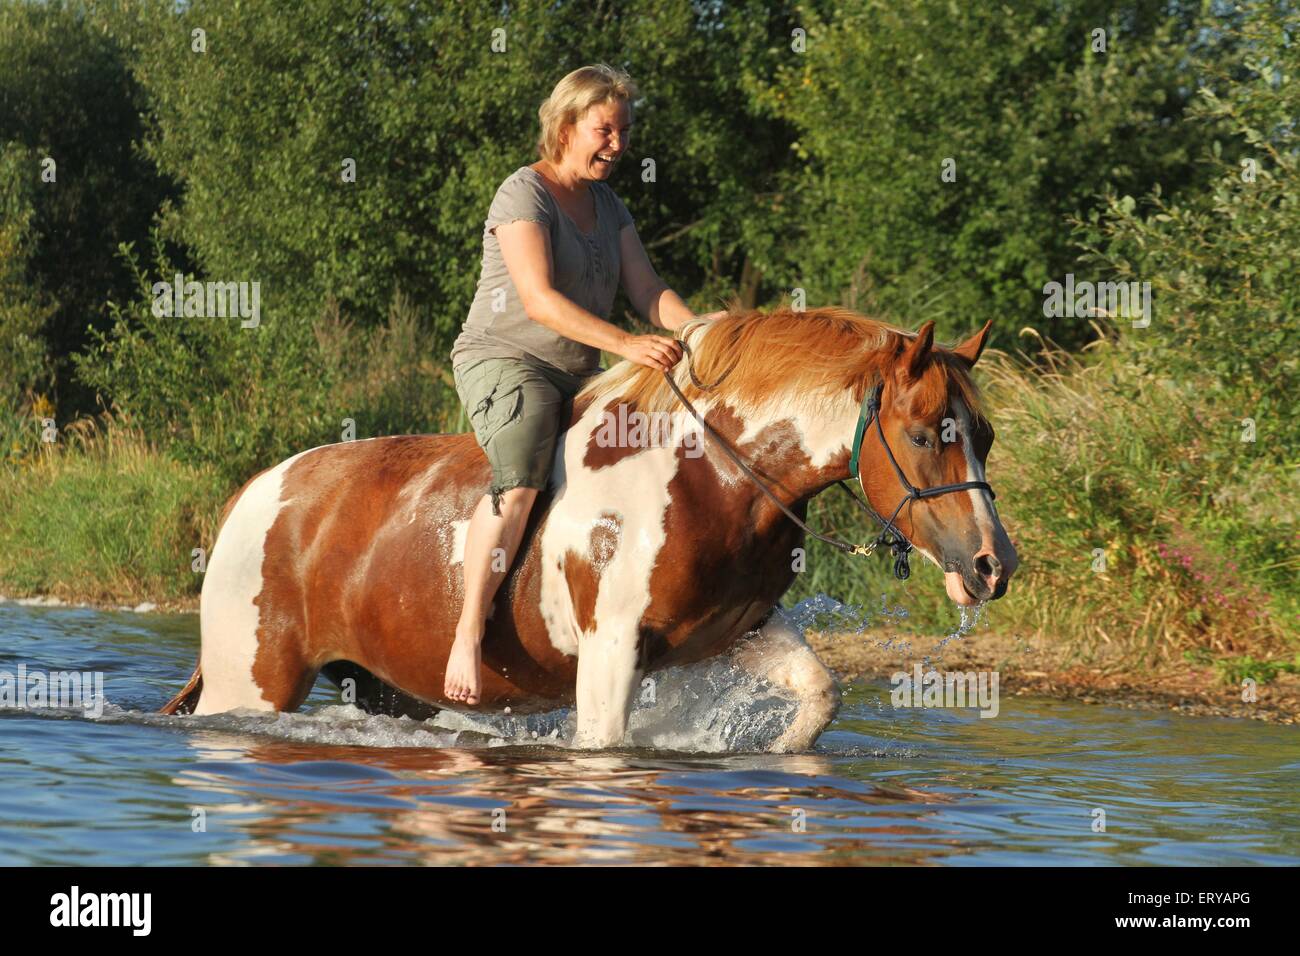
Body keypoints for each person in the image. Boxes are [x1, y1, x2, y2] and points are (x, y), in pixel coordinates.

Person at [445, 63, 719, 705]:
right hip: (507, 359)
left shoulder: (609, 205)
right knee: (521, 483)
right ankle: (467, 632)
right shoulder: (524, 194)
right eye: (606, 130)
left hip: (580, 369)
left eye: (624, 132)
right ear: (566, 126)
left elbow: (648, 292)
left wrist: (711, 333)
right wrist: (628, 346)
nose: (618, 145)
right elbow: (538, 301)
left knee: (657, 451)